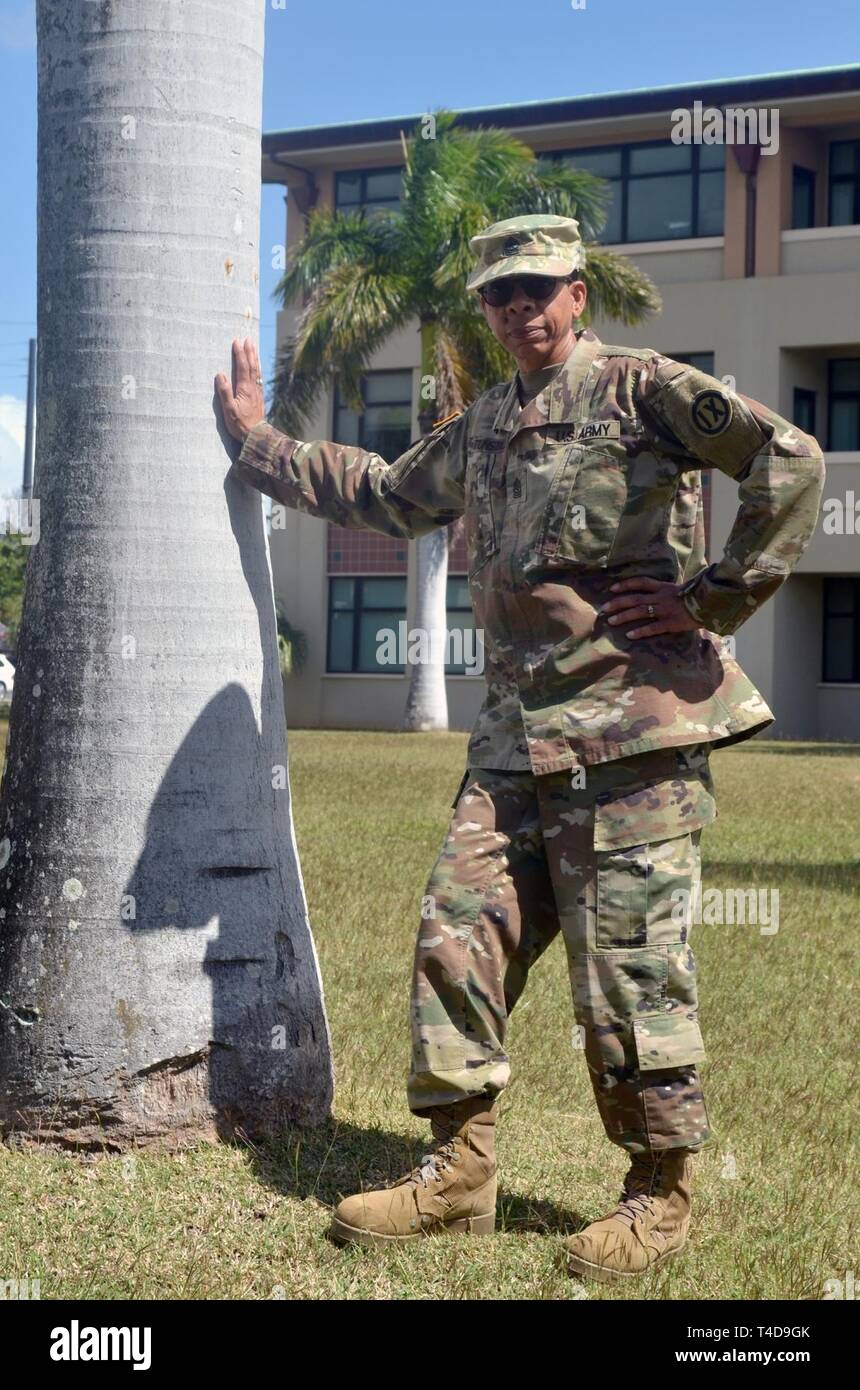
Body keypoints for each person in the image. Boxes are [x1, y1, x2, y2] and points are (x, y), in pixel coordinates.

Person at [215, 214, 824, 1281]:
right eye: (499, 295)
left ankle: (658, 1196)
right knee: (454, 943)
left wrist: (710, 600)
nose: (519, 309)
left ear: (576, 291)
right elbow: (385, 494)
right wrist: (256, 443)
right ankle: (456, 1175)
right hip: (511, 746)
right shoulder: (485, 422)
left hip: (633, 738)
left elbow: (789, 460)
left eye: (537, 288)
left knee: (629, 976)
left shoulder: (642, 391)